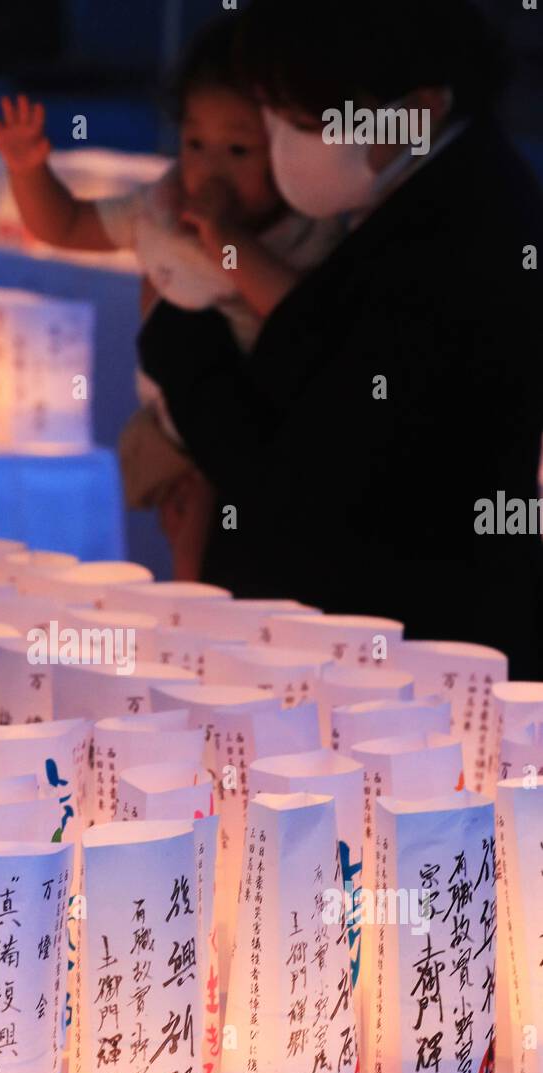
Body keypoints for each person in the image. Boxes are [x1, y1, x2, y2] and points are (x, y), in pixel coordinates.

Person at [138, 0, 543, 678]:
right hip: (382, 634)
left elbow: (306, 469)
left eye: (306, 122)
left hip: (401, 648)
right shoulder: (434, 192)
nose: (286, 144)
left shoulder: (456, 236)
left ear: (421, 108)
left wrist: (177, 328)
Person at [0, 14, 343, 580]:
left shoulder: (311, 229)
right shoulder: (162, 209)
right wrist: (30, 170)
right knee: (185, 527)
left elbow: (299, 317)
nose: (209, 169)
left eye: (238, 150)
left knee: (216, 543)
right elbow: (69, 224)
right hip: (170, 427)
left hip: (264, 440)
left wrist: (228, 240)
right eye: (194, 143)